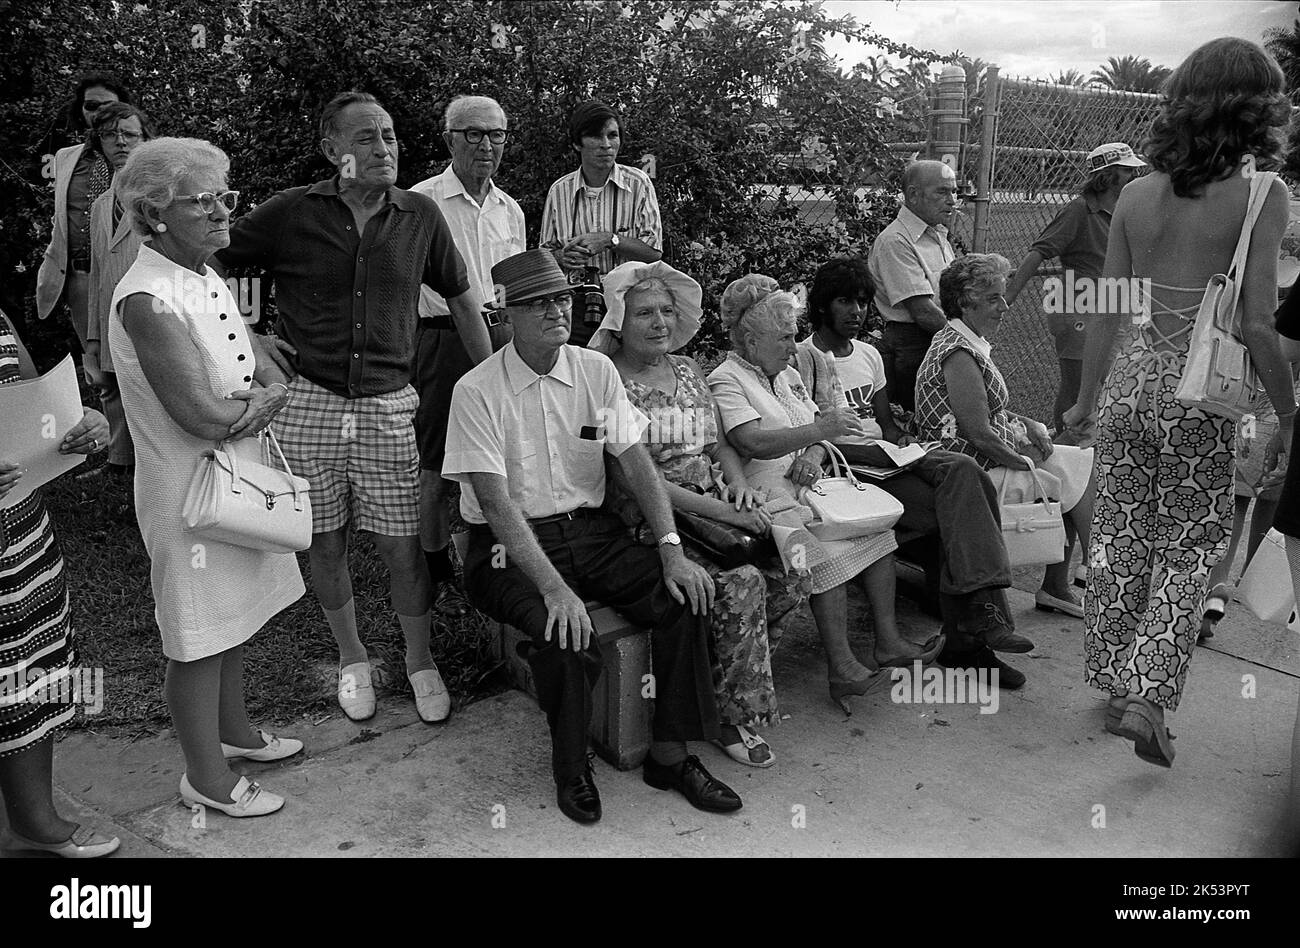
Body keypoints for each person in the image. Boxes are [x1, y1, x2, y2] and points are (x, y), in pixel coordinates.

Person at [217, 92, 487, 725]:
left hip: (390, 404)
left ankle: (420, 663)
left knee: (401, 546)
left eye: (390, 136)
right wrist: (249, 338)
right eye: (366, 138)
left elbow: (464, 300)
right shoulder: (291, 212)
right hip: (308, 400)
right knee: (326, 539)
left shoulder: (419, 214)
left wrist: (487, 382)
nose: (383, 149)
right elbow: (208, 261)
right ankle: (353, 659)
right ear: (332, 151)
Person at [445, 249, 741, 825]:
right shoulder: (476, 390)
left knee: (686, 597)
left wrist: (671, 550)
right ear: (505, 314)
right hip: (509, 548)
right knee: (564, 633)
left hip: (593, 532)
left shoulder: (594, 370)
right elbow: (496, 504)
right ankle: (572, 766)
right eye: (539, 303)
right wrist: (555, 590)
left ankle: (669, 754)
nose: (557, 311)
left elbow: (636, 464)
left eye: (562, 298)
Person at [1064, 38, 1294, 768]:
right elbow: (1258, 322)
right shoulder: (1262, 194)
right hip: (1202, 396)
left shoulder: (1135, 193)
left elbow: (1107, 311)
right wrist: (1288, 415)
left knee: (1120, 537)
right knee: (1191, 548)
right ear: (1254, 108)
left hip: (1131, 383)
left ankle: (1112, 685)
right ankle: (1149, 698)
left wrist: (1085, 402)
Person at [107, 138, 306, 817]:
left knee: (235, 613)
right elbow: (203, 416)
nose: (224, 211)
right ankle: (206, 778)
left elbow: (263, 359)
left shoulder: (201, 273)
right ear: (153, 214)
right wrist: (265, 399)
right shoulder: (147, 301)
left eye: (227, 194)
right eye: (205, 201)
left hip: (234, 480)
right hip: (189, 492)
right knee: (197, 634)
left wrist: (259, 394)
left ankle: (234, 732)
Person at [591, 261, 812, 767]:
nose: (659, 322)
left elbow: (718, 446)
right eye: (644, 312)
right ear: (618, 320)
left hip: (716, 507)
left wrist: (738, 491)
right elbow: (635, 477)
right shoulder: (607, 381)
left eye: (667, 310)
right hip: (655, 520)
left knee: (794, 572)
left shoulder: (689, 370)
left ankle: (723, 683)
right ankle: (732, 717)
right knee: (741, 582)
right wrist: (724, 512)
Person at [707, 275, 944, 715]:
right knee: (827, 555)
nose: (792, 345)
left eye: (793, 335)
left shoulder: (788, 375)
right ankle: (842, 669)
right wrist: (819, 432)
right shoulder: (728, 379)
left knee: (875, 536)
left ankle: (888, 642)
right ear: (749, 339)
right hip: (765, 494)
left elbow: (817, 431)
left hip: (809, 483)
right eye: (782, 337)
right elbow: (751, 443)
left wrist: (814, 452)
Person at [795, 256, 1030, 686]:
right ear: (823, 306)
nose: (856, 312)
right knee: (959, 495)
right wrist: (882, 450)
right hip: (849, 468)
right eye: (845, 301)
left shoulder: (868, 355)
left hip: (890, 459)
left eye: (864, 301)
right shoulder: (804, 358)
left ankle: (979, 625)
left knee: (962, 476)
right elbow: (810, 433)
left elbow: (885, 425)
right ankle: (977, 630)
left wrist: (901, 440)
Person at [915, 254, 1096, 621]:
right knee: (1072, 469)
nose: (1005, 306)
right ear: (967, 301)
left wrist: (1025, 421)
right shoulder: (958, 351)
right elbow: (978, 432)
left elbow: (983, 408)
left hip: (977, 455)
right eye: (995, 298)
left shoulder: (966, 340)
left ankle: (1075, 578)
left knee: (1077, 462)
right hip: (966, 467)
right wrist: (1025, 461)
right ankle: (1091, 576)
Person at [0, 308, 119, 857]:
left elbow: (31, 402)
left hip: (18, 532)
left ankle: (33, 818)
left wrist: (81, 427)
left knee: (28, 670)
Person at [410, 95, 523, 620]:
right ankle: (434, 570)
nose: (486, 145)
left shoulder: (511, 209)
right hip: (440, 341)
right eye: (473, 133)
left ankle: (492, 554)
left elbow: (510, 289)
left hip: (500, 336)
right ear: (449, 138)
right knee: (436, 462)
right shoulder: (419, 202)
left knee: (500, 452)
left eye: (496, 134)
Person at [1005, 142, 1147, 436]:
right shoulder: (1080, 210)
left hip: (1113, 304)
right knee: (1079, 387)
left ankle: (1079, 447)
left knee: (1106, 383)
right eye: (1126, 171)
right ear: (1106, 175)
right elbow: (1039, 252)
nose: (1133, 176)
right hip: (1078, 303)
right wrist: (1008, 298)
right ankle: (1066, 451)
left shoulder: (1126, 208)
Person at [540, 100, 663, 347]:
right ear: (577, 143)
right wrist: (561, 257)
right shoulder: (559, 191)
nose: (606, 145)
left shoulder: (638, 183)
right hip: (574, 303)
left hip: (629, 301)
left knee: (624, 378)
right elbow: (544, 255)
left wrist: (610, 240)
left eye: (612, 135)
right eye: (595, 137)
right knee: (579, 377)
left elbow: (654, 253)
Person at [35, 75, 132, 379]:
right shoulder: (66, 158)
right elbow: (63, 220)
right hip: (80, 278)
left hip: (127, 275)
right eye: (92, 105)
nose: (100, 112)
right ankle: (111, 427)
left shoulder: (137, 156)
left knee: (134, 367)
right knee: (101, 375)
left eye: (110, 105)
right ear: (82, 110)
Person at [84, 102, 155, 489]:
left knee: (153, 393)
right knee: (116, 387)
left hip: (153, 315)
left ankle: (154, 469)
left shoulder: (162, 196)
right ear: (100, 143)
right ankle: (120, 460)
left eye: (130, 133)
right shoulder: (98, 207)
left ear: (146, 139)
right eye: (110, 134)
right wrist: (94, 340)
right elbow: (98, 276)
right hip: (112, 319)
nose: (121, 142)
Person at [867, 159, 959, 413]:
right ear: (914, 195)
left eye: (953, 191)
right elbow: (923, 312)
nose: (952, 200)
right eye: (942, 191)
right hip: (914, 348)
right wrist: (966, 343)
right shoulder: (895, 241)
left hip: (939, 340)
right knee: (923, 425)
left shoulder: (936, 235)